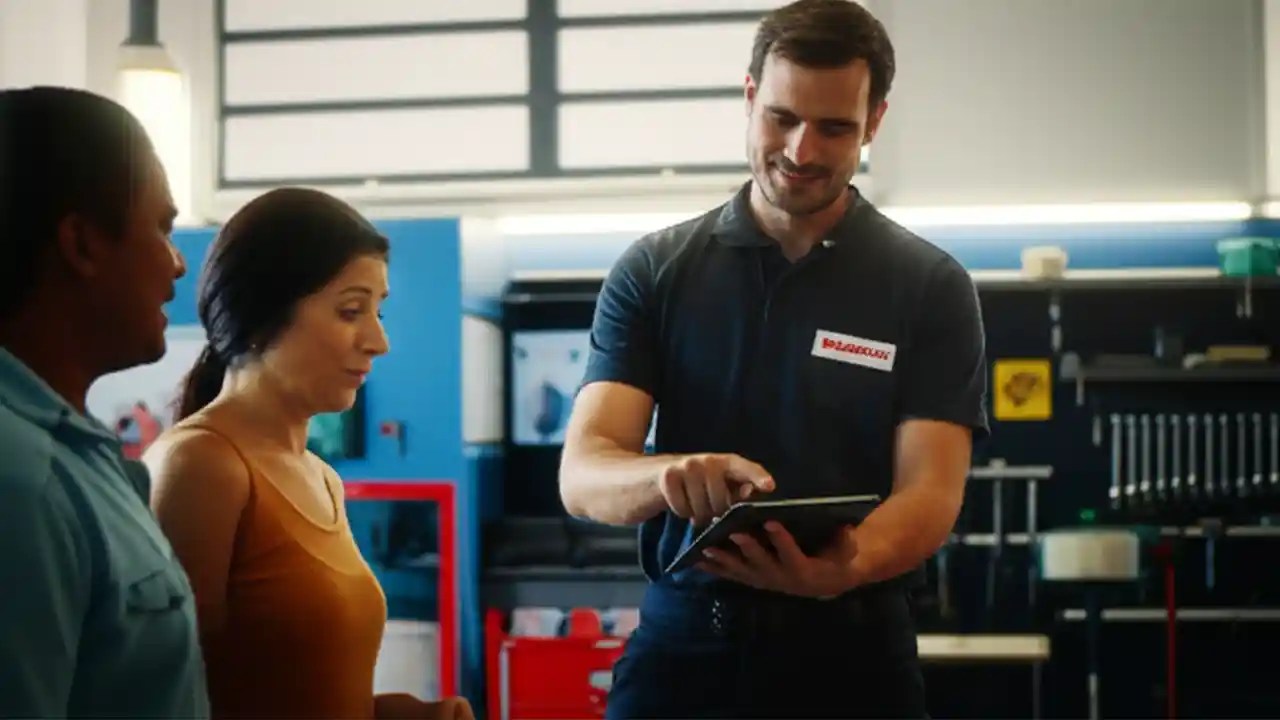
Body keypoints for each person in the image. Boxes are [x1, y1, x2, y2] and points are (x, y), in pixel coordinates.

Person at [558, 1, 988, 717]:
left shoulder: (929, 287)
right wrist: (670, 477)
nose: (801, 151)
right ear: (750, 95)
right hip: (683, 657)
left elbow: (930, 494)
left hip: (854, 662)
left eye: (835, 127)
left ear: (875, 121)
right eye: (782, 119)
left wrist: (843, 566)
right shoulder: (655, 272)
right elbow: (584, 473)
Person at [142, 188, 473, 720]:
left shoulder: (321, 477)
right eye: (350, 311)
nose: (377, 340)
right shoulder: (203, 465)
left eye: (378, 311)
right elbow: (169, 698)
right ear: (261, 314)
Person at [0, 86, 209, 717]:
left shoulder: (79, 454)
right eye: (162, 227)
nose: (177, 264)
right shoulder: (20, 482)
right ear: (82, 243)